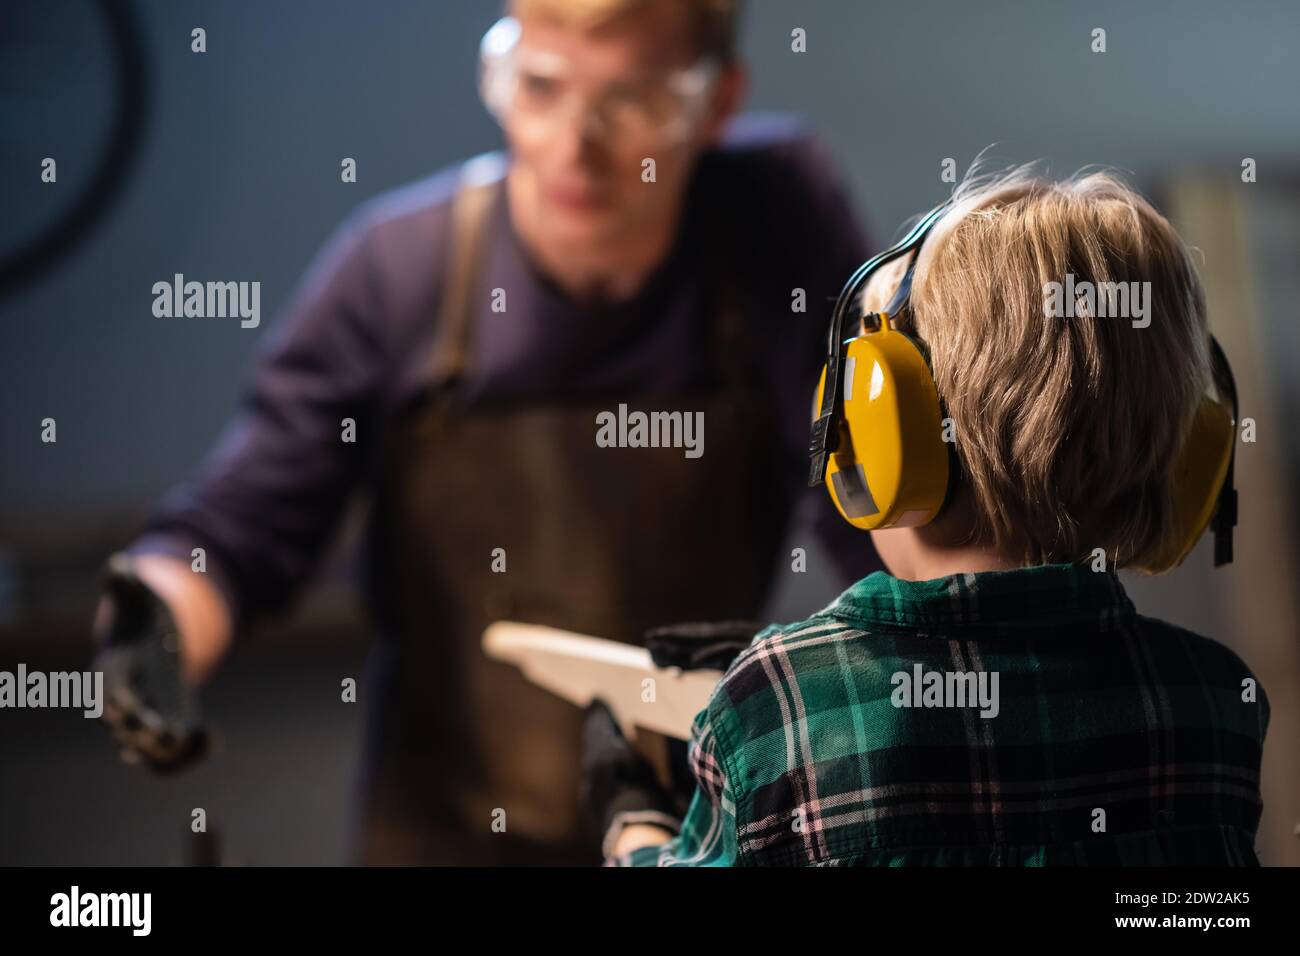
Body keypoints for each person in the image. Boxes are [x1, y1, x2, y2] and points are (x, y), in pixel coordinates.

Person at [91, 0, 880, 865]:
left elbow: (872, 507)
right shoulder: (398, 270)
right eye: (541, 85)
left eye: (634, 101)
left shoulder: (774, 226)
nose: (574, 143)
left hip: (698, 828)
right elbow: (241, 526)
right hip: (439, 834)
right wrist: (154, 624)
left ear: (717, 103)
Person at [589, 167, 1270, 865]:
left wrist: (632, 823)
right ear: (1187, 456)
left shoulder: (778, 698)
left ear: (882, 432)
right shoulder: (1215, 697)